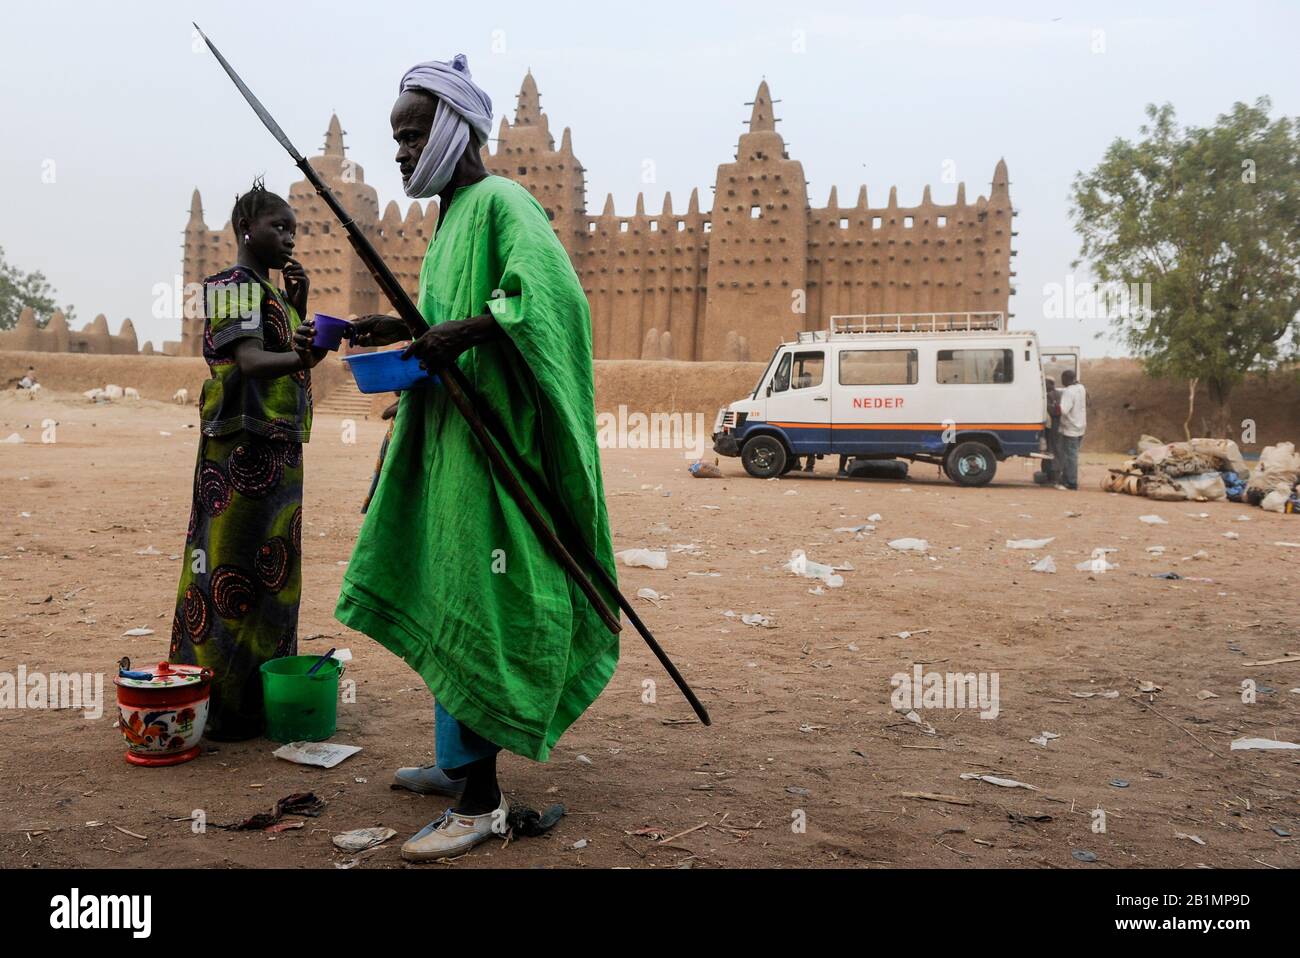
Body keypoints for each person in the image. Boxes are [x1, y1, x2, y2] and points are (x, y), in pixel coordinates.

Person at [335, 54, 620, 861]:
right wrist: (378, 332)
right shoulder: (450, 217)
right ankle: (458, 761)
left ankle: (484, 801)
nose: (399, 150)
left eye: (411, 132)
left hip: (495, 448)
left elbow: (546, 297)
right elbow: (438, 315)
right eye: (394, 136)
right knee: (445, 589)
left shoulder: (502, 201)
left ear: (455, 128)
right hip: (448, 442)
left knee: (482, 599)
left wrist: (464, 333)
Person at [169, 179, 327, 740]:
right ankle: (223, 706)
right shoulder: (231, 285)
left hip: (279, 444)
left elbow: (284, 356)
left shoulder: (273, 291)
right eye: (278, 227)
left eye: (294, 229)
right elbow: (255, 363)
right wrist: (304, 353)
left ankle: (260, 699)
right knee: (228, 566)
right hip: (239, 447)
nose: (289, 238)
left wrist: (300, 307)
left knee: (273, 571)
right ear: (245, 229)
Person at [1055, 368, 1087, 491]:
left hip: (1071, 428)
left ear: (1067, 379)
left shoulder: (1068, 392)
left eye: (1063, 379)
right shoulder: (1081, 388)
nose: (1062, 381)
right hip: (1080, 426)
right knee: (1071, 455)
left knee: (1070, 456)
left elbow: (1063, 410)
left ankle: (1071, 482)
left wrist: (1054, 405)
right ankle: (1066, 479)